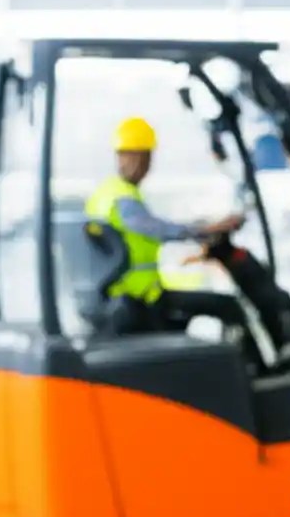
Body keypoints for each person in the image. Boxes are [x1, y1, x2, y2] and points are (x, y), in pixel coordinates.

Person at [85, 117, 262, 362]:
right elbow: (156, 228)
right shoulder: (123, 199)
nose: (142, 165)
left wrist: (204, 227)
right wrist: (207, 229)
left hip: (134, 297)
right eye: (138, 157)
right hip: (141, 300)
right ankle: (252, 370)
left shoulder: (107, 193)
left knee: (211, 312)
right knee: (227, 306)